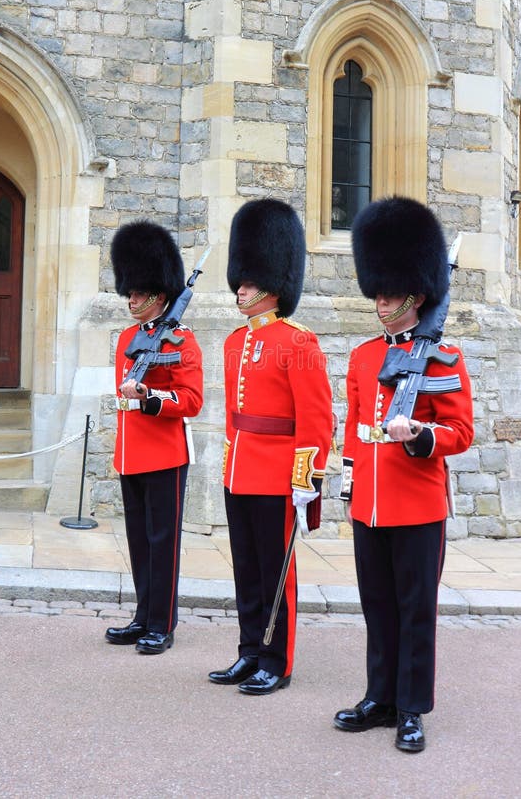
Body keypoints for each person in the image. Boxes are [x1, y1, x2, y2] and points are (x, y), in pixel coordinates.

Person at [334, 196, 474, 752]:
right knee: (378, 606)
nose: (381, 301)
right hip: (369, 501)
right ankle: (381, 697)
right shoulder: (366, 356)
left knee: (415, 610)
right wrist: (348, 481)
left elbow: (460, 432)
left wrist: (419, 438)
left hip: (417, 506)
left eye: (390, 293)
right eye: (378, 291)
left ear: (415, 296)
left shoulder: (446, 358)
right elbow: (352, 423)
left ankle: (412, 708)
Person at [208, 198, 334, 695]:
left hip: (278, 473)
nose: (241, 289)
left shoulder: (298, 343)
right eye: (240, 281)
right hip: (239, 470)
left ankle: (276, 660)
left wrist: (307, 480)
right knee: (247, 568)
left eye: (249, 281)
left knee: (276, 572)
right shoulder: (234, 342)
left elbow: (317, 419)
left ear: (273, 284)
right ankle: (248, 650)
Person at [104, 220, 203, 655]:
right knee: (140, 541)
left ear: (160, 295)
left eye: (138, 294)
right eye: (129, 292)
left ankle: (162, 623)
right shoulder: (128, 337)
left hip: (164, 454)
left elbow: (191, 400)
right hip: (131, 453)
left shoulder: (181, 340)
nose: (131, 299)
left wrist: (150, 395)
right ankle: (142, 614)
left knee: (164, 543)